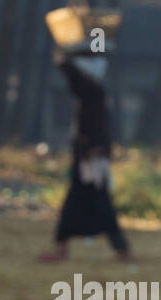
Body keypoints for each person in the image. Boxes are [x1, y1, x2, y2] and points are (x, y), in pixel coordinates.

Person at [38, 48, 132, 263]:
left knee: (100, 205)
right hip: (86, 158)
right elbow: (77, 83)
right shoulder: (92, 93)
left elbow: (78, 80)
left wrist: (64, 63)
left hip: (92, 160)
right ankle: (64, 249)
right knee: (78, 205)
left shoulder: (94, 92)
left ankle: (123, 251)